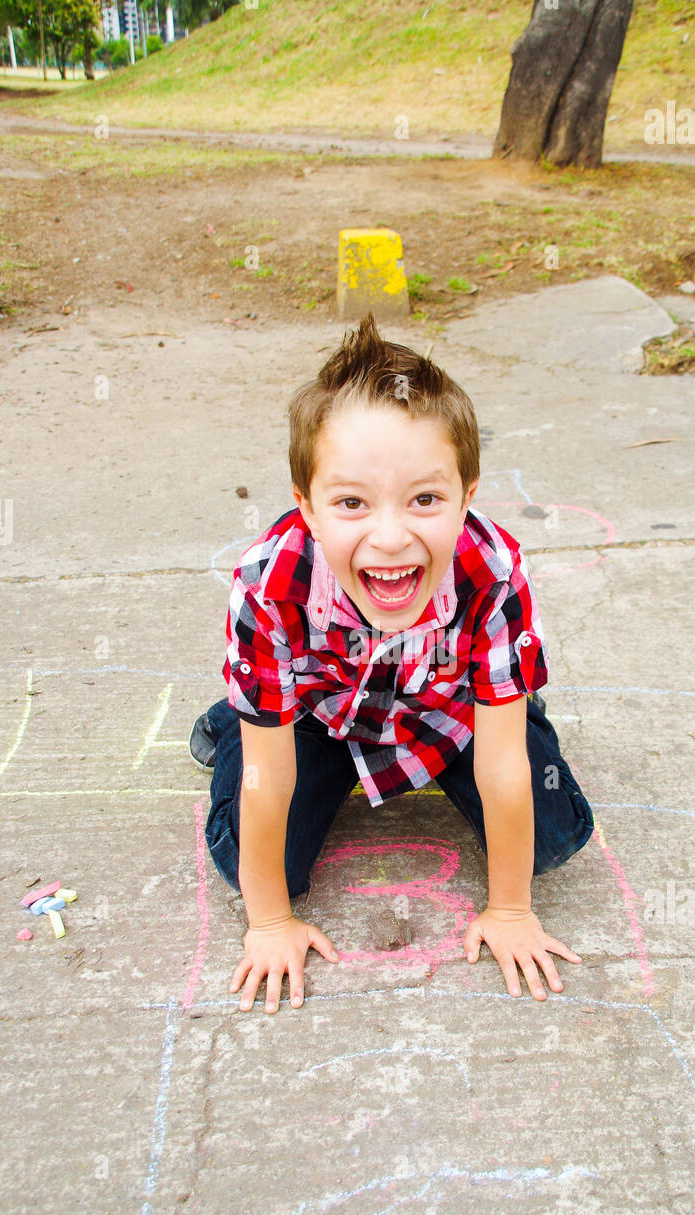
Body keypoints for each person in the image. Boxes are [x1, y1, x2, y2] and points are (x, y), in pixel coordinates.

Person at [191, 313, 594, 1014]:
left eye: (425, 500)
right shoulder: (269, 581)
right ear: (308, 509)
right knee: (255, 866)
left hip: (446, 710)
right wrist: (271, 923)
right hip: (320, 717)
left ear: (468, 498)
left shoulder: (489, 569)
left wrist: (508, 910)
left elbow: (501, 764)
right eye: (351, 503)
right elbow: (268, 776)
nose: (390, 535)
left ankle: (510, 690)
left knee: (553, 841)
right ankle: (247, 710)